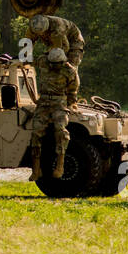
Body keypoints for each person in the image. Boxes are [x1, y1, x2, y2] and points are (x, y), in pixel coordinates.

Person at [30, 48, 79, 181]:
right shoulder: (43, 62)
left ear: (63, 62)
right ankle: (36, 169)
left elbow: (73, 90)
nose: (53, 66)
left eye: (57, 64)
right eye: (52, 63)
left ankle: (60, 165)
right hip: (44, 102)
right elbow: (28, 60)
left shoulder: (69, 71)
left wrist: (70, 105)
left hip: (59, 103)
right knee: (35, 132)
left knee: (61, 130)